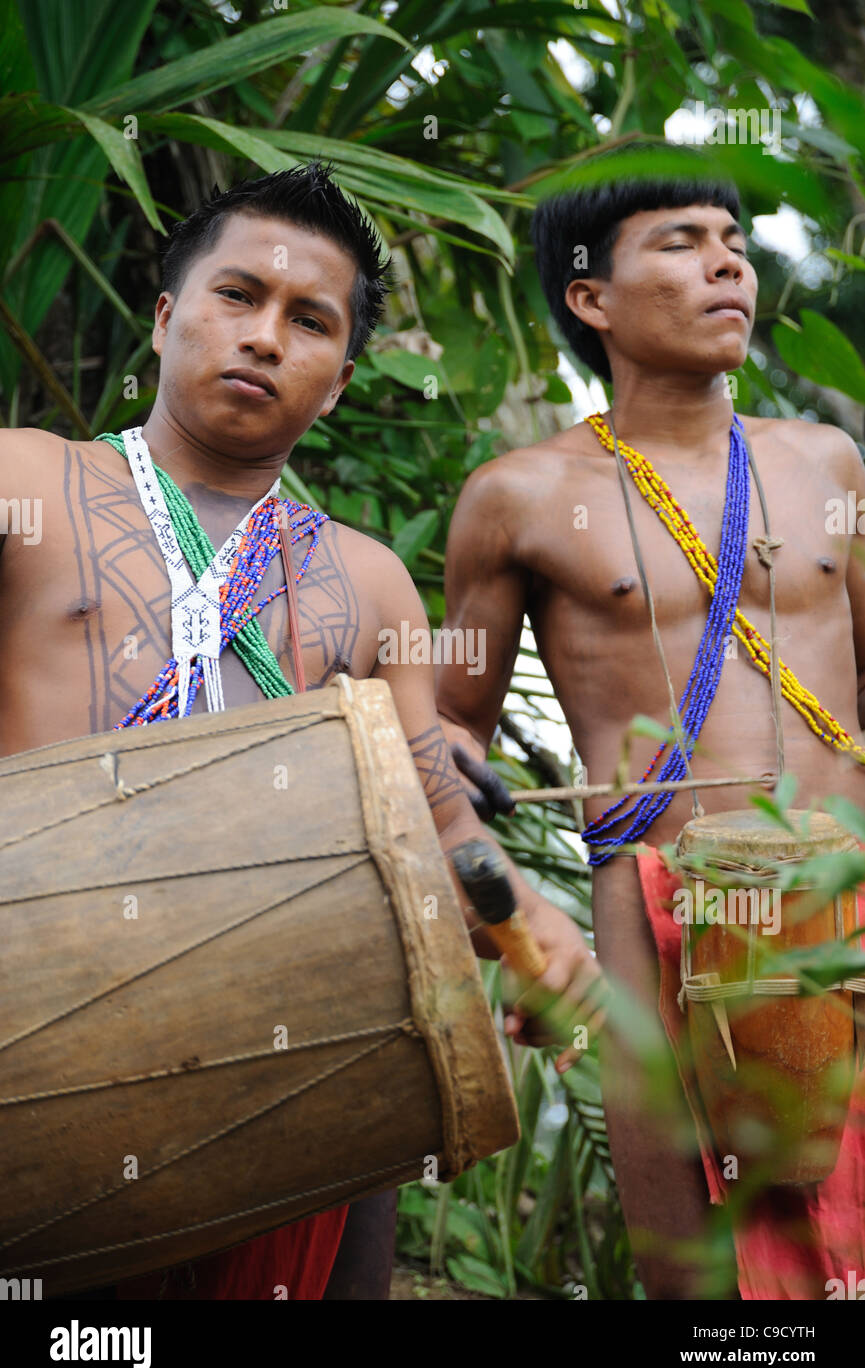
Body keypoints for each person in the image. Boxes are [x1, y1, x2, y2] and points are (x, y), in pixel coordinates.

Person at [1, 162, 604, 1301]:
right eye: (238, 296)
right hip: (37, 1042)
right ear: (169, 315)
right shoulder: (25, 479)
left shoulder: (371, 588)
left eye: (309, 320)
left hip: (302, 1061)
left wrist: (531, 937)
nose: (265, 335)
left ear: (334, 384)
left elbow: (438, 827)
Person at [435, 158, 865, 1299]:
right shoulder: (517, 494)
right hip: (660, 906)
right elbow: (445, 735)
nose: (728, 261)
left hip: (847, 893)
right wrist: (506, 926)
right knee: (704, 1271)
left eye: (731, 238)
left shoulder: (827, 464)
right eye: (679, 241)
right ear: (590, 297)